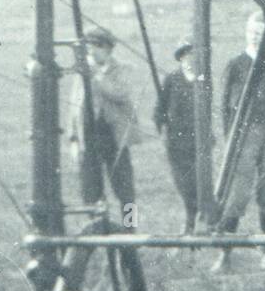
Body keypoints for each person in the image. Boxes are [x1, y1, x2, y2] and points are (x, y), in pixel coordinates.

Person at [213, 10, 265, 272]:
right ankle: (225, 255)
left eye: (260, 33)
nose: (255, 36)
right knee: (238, 193)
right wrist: (232, 140)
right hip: (245, 135)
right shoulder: (237, 64)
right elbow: (226, 107)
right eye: (251, 32)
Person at [67, 26, 140, 230]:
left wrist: (96, 77)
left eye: (97, 47)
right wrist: (73, 139)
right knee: (90, 189)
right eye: (90, 48)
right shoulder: (83, 73)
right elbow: (74, 105)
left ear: (108, 49)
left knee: (125, 190)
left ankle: (131, 228)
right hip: (88, 135)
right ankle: (94, 228)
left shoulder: (122, 69)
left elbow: (120, 93)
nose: (92, 52)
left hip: (114, 137)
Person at [154, 40, 201, 236]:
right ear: (181, 57)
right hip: (177, 142)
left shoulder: (203, 79)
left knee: (200, 184)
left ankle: (200, 221)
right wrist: (163, 131)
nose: (191, 58)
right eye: (187, 54)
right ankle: (190, 220)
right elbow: (160, 110)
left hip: (199, 141)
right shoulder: (171, 79)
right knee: (185, 184)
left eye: (194, 54)